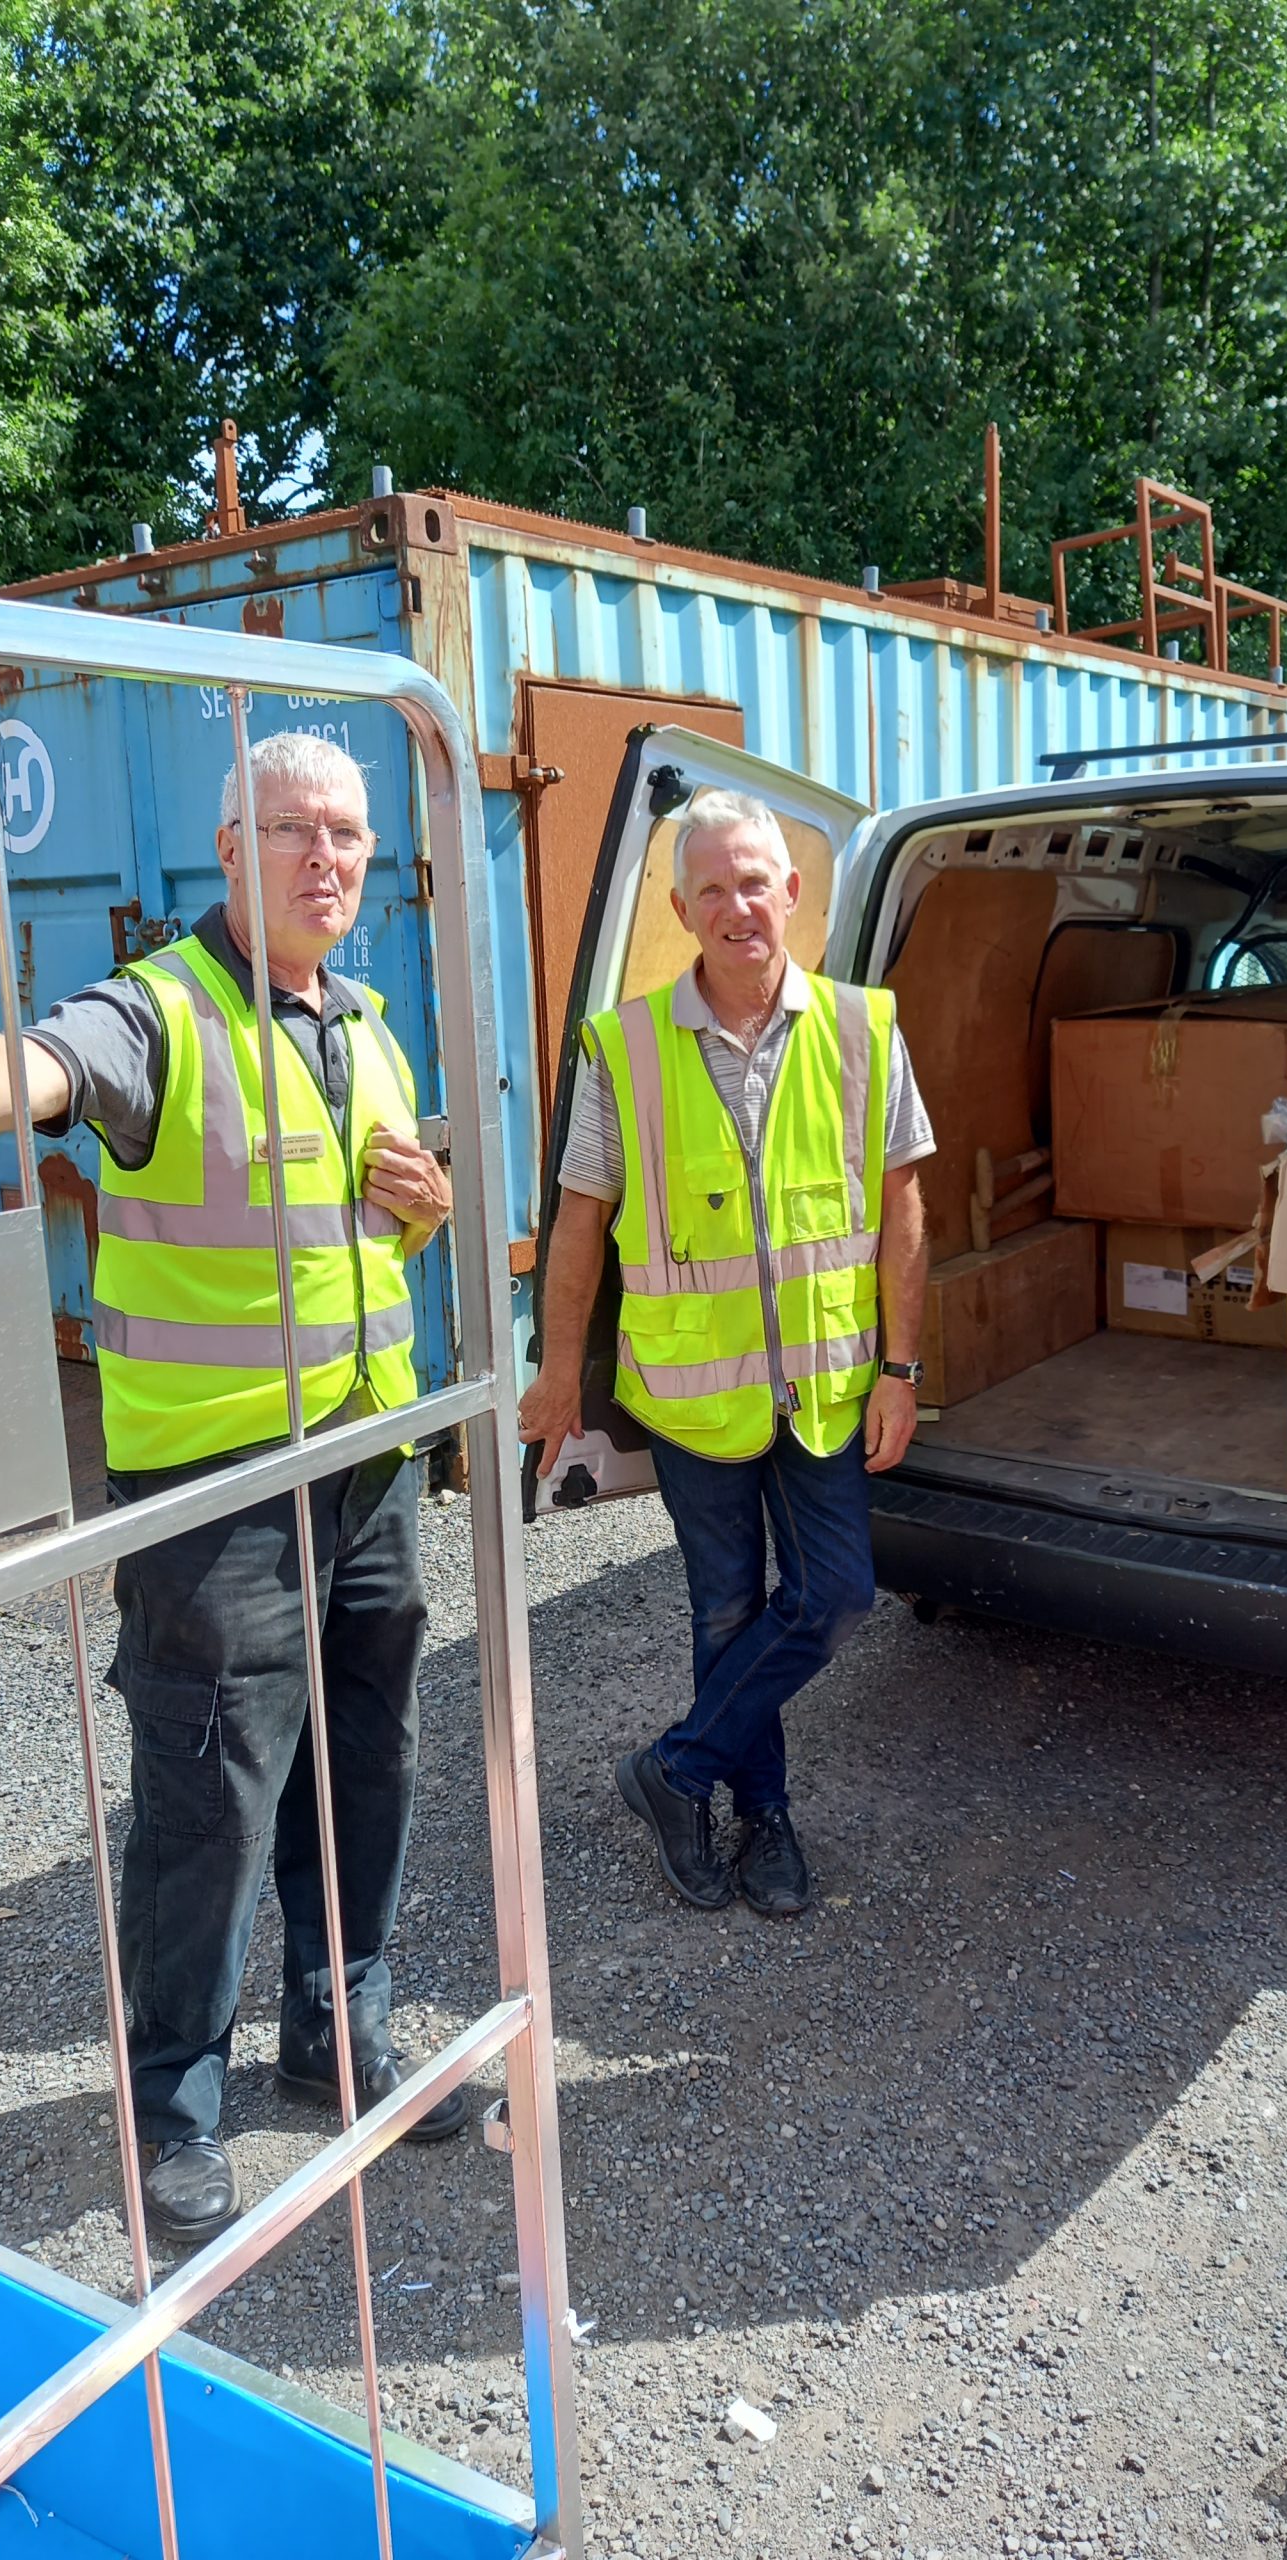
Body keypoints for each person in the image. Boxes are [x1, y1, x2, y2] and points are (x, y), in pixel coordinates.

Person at [0, 732, 463, 2240]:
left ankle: (339, 2036)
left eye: (349, 836)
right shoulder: (157, 1017)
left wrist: (425, 1208)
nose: (326, 858)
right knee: (208, 1809)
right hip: (219, 1499)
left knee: (362, 1766)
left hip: (365, 1470)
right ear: (228, 853)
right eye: (293, 832)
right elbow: (26, 1071)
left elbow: (367, 1240)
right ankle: (172, 2099)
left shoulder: (366, 1027)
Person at [518, 788, 933, 1917]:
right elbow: (580, 1222)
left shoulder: (861, 1028)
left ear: (791, 892)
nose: (738, 904)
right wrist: (560, 1372)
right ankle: (765, 1824)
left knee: (838, 1594)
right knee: (726, 1612)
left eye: (756, 880)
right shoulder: (630, 1047)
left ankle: (676, 1768)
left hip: (828, 1385)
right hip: (695, 1392)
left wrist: (902, 1367)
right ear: (680, 907)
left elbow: (902, 1206)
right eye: (712, 887)